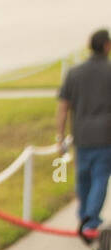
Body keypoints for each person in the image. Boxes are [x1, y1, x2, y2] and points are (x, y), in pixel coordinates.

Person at [57, 29, 111, 232]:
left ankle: (84, 215)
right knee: (100, 177)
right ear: (107, 45)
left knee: (83, 177)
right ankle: (91, 218)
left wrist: (60, 137)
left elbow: (63, 108)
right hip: (106, 137)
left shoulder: (74, 73)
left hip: (81, 135)